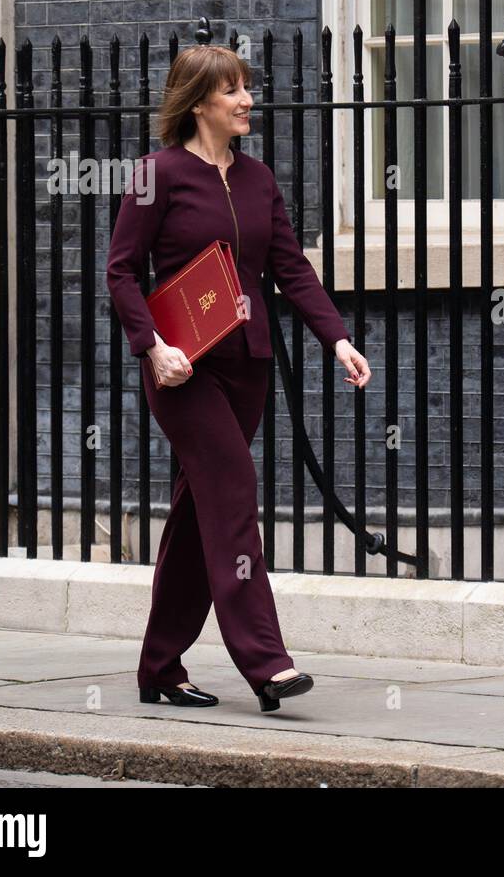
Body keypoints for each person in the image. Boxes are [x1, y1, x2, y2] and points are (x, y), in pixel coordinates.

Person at [105, 44, 370, 713]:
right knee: (234, 487)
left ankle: (160, 666)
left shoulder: (257, 179)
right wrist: (151, 346)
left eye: (247, 87)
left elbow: (292, 269)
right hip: (183, 369)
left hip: (245, 365)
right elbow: (120, 270)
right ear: (198, 102)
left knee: (200, 515)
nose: (247, 99)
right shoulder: (154, 174)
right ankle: (266, 661)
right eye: (232, 91)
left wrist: (336, 338)